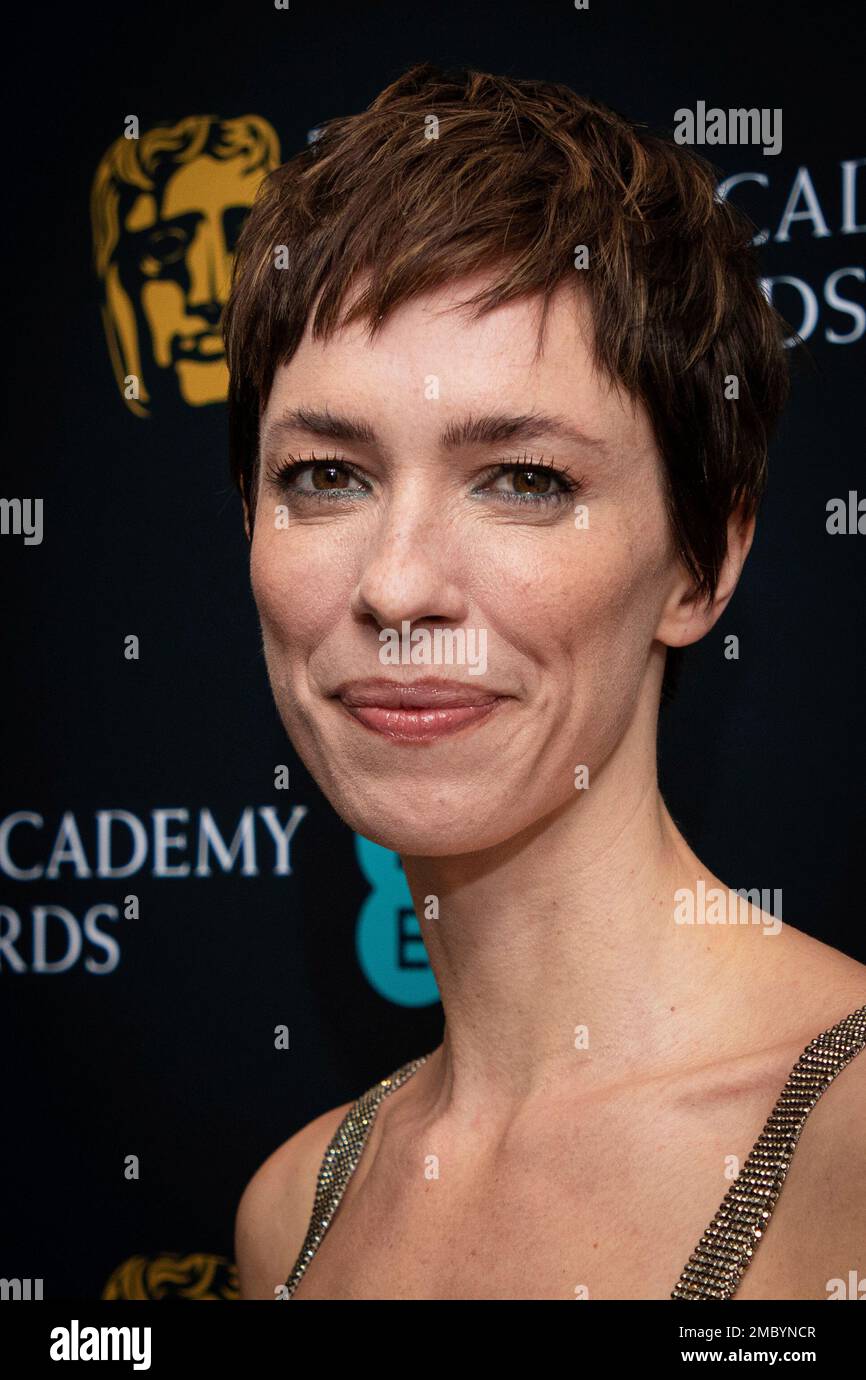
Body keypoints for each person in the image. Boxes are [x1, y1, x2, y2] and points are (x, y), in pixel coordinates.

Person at [222, 63, 866, 1300]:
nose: (397, 586)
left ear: (701, 562)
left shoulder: (844, 1144)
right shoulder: (293, 1213)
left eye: (523, 478)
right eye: (325, 475)